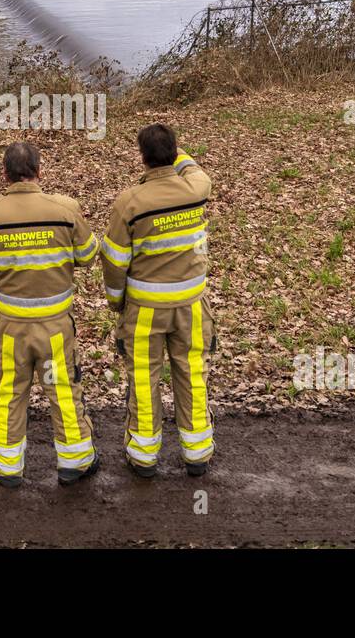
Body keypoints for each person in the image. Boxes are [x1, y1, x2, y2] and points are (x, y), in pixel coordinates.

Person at [0, 142, 100, 488]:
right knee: (64, 391)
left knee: (10, 391)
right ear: (40, 171)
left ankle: (7, 467)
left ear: (4, 175)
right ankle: (75, 462)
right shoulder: (66, 209)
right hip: (55, 326)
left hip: (11, 327)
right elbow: (87, 255)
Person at [101, 124, 215, 477]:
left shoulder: (130, 202)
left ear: (142, 158)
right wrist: (176, 154)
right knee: (192, 373)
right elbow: (193, 167)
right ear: (175, 152)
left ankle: (144, 456)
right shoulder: (197, 189)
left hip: (145, 309)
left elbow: (114, 260)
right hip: (192, 307)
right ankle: (197, 454)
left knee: (143, 377)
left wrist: (116, 301)